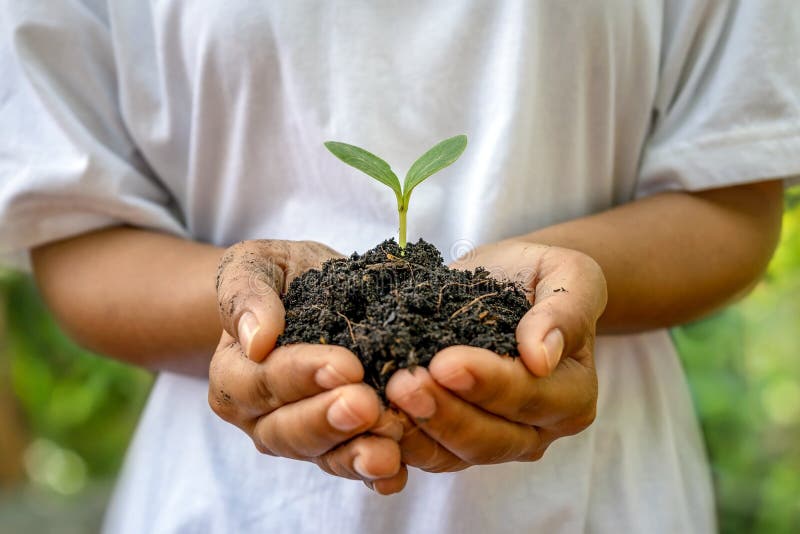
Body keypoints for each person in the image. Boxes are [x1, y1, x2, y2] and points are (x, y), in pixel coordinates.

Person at [1, 1, 798, 532]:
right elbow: (73, 230)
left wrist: (572, 280)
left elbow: (730, 192)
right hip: (234, 499)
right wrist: (252, 318)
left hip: (593, 494)